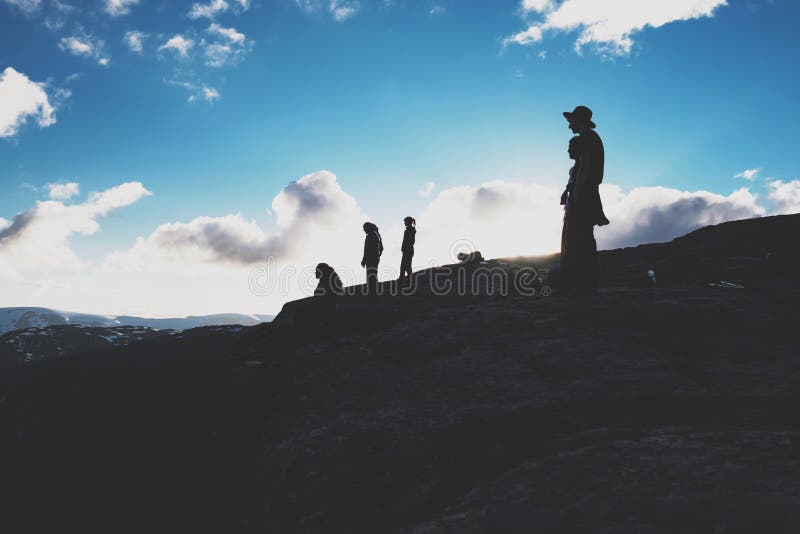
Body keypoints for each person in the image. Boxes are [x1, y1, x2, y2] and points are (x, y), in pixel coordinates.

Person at [561, 105, 609, 292]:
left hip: (584, 196)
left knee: (579, 237)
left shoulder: (588, 139)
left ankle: (581, 281)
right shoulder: (590, 139)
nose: (569, 126)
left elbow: (585, 170)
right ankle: (582, 280)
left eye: (571, 122)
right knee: (581, 237)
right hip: (584, 194)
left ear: (578, 121)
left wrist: (577, 198)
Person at [361, 222, 383, 300]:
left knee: (370, 276)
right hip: (375, 258)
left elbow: (366, 250)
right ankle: (374, 293)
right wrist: (378, 256)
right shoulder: (377, 235)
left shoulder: (370, 236)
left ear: (368, 228)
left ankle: (372, 295)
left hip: (370, 259)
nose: (364, 230)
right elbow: (381, 248)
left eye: (365, 228)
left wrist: (364, 259)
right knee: (373, 275)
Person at [398, 216, 416, 282]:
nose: (404, 223)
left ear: (409, 222)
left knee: (406, 265)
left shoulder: (410, 230)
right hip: (407, 250)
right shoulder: (409, 230)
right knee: (404, 265)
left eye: (405, 222)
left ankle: (409, 279)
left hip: (408, 250)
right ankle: (402, 278)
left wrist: (405, 248)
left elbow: (410, 241)